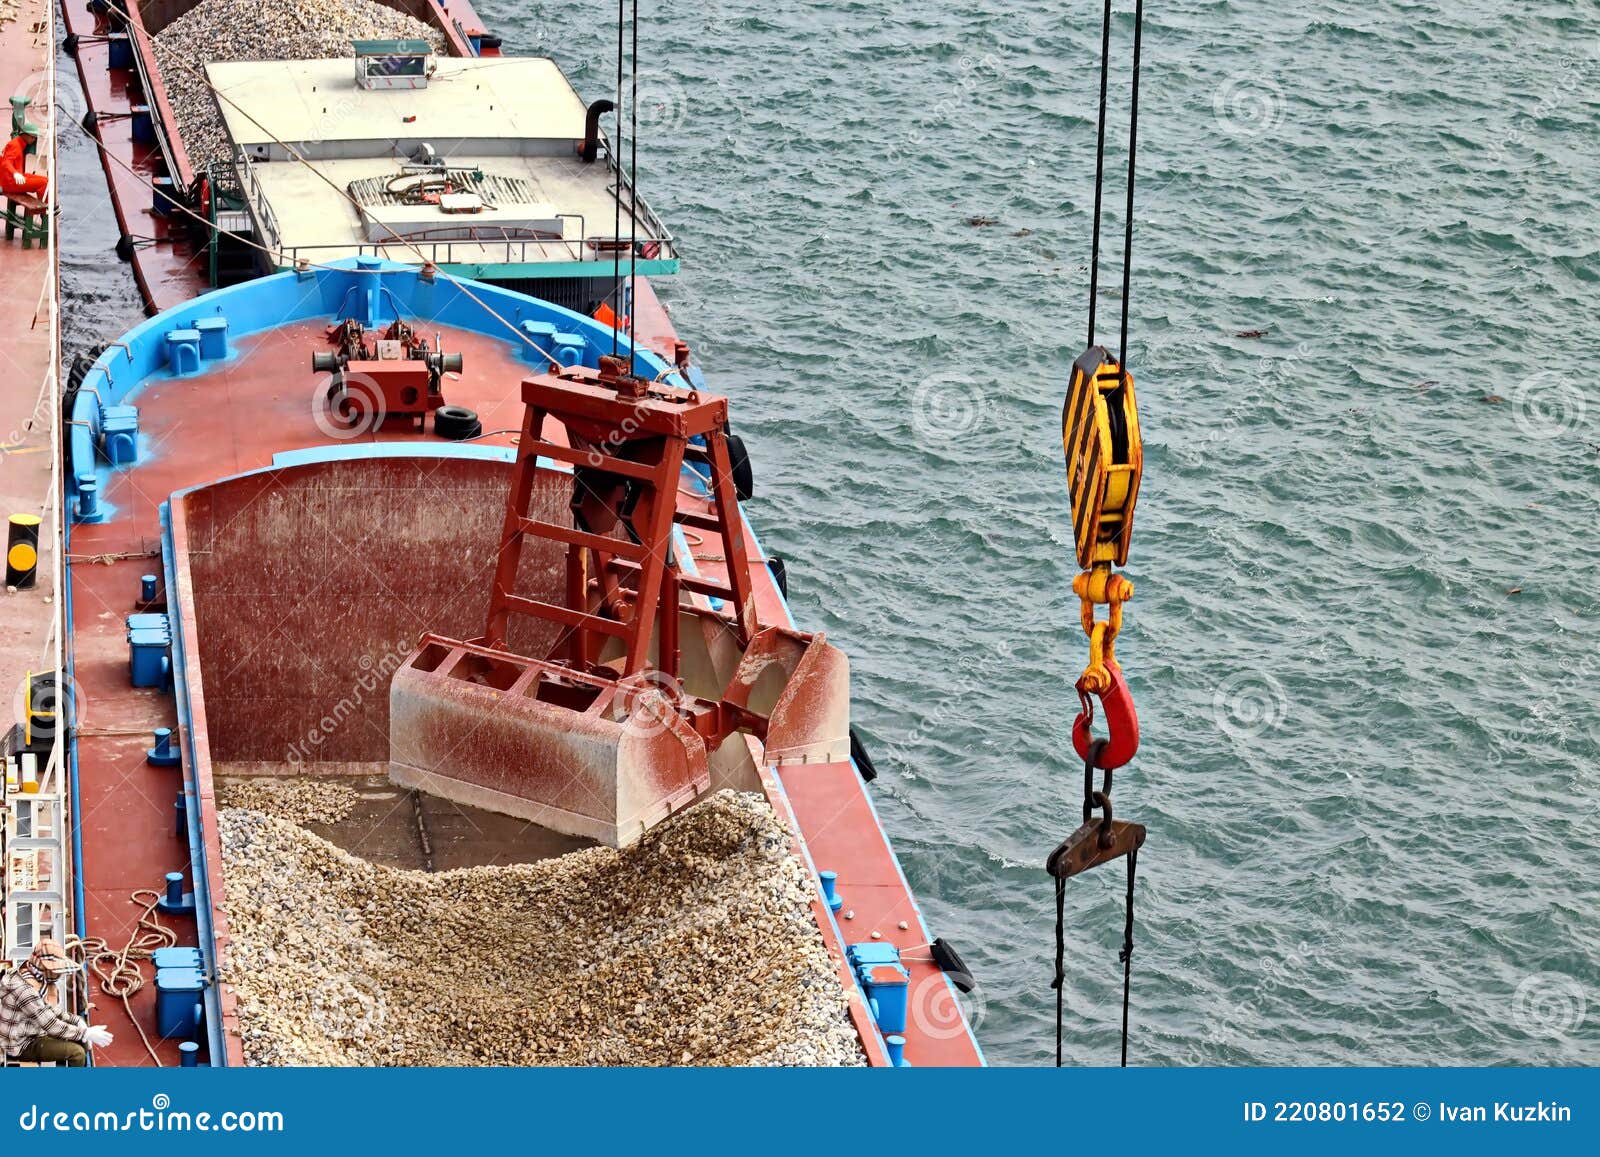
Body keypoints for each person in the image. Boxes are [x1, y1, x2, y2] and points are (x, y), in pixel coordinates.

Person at [0, 939, 112, 1066]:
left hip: (30, 1031)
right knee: (77, 1053)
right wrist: (85, 1033)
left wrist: (76, 1020)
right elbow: (50, 1024)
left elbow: (48, 1010)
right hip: (18, 1043)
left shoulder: (31, 976)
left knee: (80, 1041)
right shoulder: (25, 991)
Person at [1, 123, 48, 200]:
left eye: (35, 137)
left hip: (15, 178)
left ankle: (47, 206)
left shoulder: (19, 143)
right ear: (24, 135)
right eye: (32, 137)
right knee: (43, 184)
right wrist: (15, 173)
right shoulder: (15, 145)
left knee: (46, 180)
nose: (34, 140)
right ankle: (43, 209)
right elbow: (6, 162)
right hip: (11, 182)